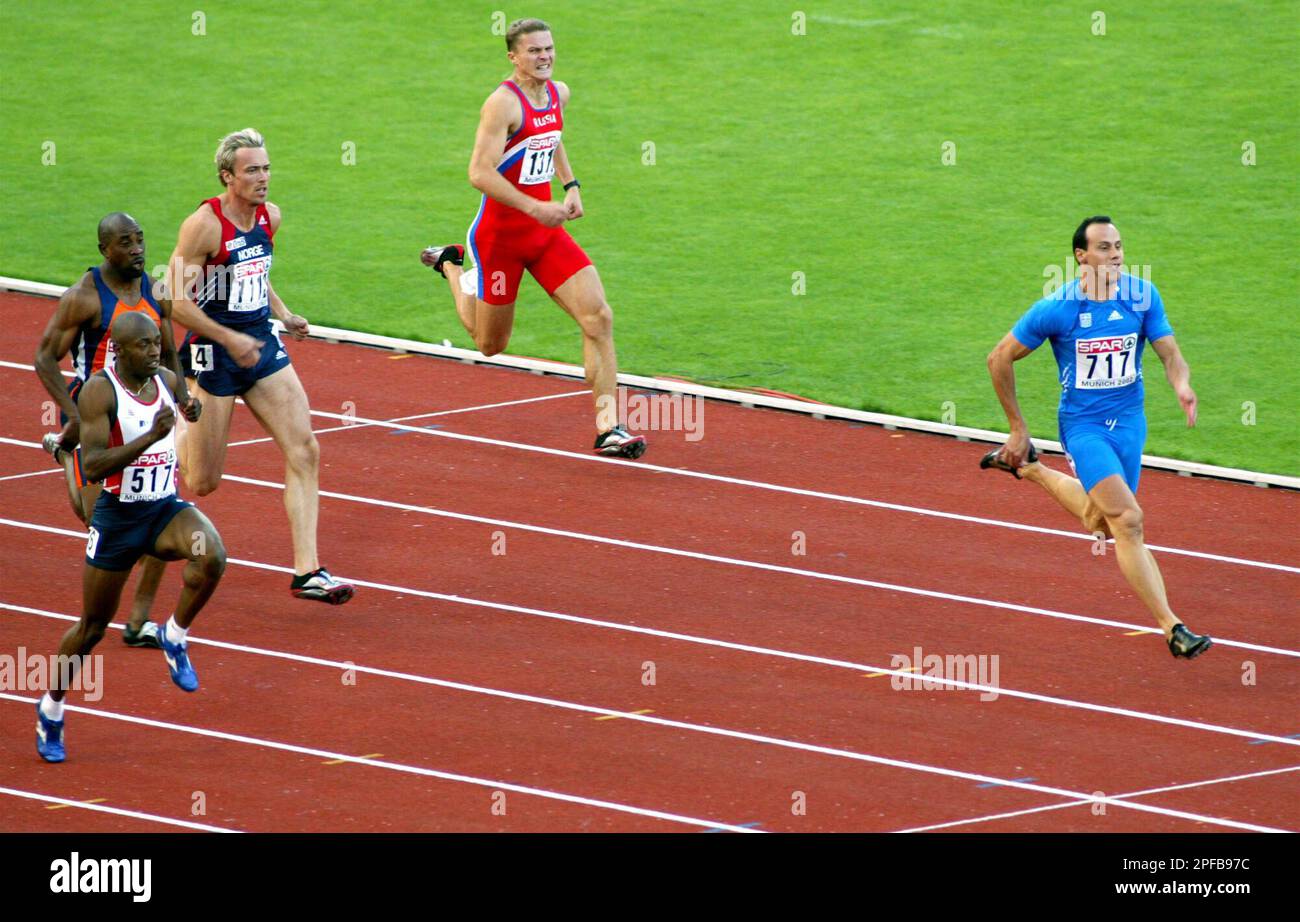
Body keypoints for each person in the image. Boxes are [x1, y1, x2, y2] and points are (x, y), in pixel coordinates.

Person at [982, 215, 1211, 659]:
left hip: (1129, 424)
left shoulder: (1142, 298)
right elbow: (998, 358)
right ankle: (1173, 628)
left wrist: (1181, 385)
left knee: (1098, 521)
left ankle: (1029, 467)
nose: (1117, 255)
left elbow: (1170, 353)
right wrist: (1017, 425)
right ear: (1081, 257)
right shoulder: (1059, 308)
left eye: (1120, 246)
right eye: (1105, 247)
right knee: (1128, 521)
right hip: (1084, 429)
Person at [421, 17, 646, 458]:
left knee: (598, 318)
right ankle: (452, 266)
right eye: (533, 51)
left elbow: (552, 137)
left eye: (548, 48)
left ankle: (610, 428)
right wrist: (534, 207)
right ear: (513, 57)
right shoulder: (501, 105)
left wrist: (571, 185)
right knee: (490, 345)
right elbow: (478, 173)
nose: (544, 57)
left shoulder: (558, 93)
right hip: (499, 239)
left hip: (545, 235)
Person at [164, 128, 354, 603]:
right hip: (214, 351)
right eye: (252, 170)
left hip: (261, 345)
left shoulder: (270, 217)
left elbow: (256, 273)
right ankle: (170, 427)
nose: (263, 177)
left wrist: (284, 314)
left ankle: (307, 571)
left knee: (305, 449)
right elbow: (173, 300)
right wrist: (229, 338)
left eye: (266, 168)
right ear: (228, 176)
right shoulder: (203, 226)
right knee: (203, 482)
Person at [36, 312, 227, 762]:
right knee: (92, 628)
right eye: (144, 345)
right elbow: (97, 465)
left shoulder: (162, 377)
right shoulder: (101, 392)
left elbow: (185, 403)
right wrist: (150, 439)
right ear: (120, 350)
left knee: (212, 556)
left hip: (162, 511)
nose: (155, 350)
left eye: (157, 343)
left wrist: (191, 409)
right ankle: (51, 706)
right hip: (118, 520)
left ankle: (174, 635)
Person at [34, 213, 200, 648]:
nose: (137, 249)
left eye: (140, 240)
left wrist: (182, 396)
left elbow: (168, 349)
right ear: (105, 249)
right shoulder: (83, 297)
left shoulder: (154, 289)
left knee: (160, 504)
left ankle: (140, 620)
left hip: (147, 404)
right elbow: (45, 358)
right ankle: (66, 453)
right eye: (125, 242)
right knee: (98, 517)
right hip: (101, 407)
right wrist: (74, 414)